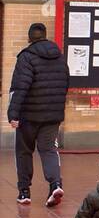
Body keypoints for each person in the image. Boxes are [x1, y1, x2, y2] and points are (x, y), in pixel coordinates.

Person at [7, 22, 70, 207]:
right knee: (49, 150)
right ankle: (55, 184)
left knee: (24, 151)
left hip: (29, 116)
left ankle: (24, 192)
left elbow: (20, 87)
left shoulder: (26, 57)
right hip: (52, 115)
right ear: (44, 36)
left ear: (30, 38)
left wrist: (13, 114)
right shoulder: (59, 57)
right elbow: (65, 83)